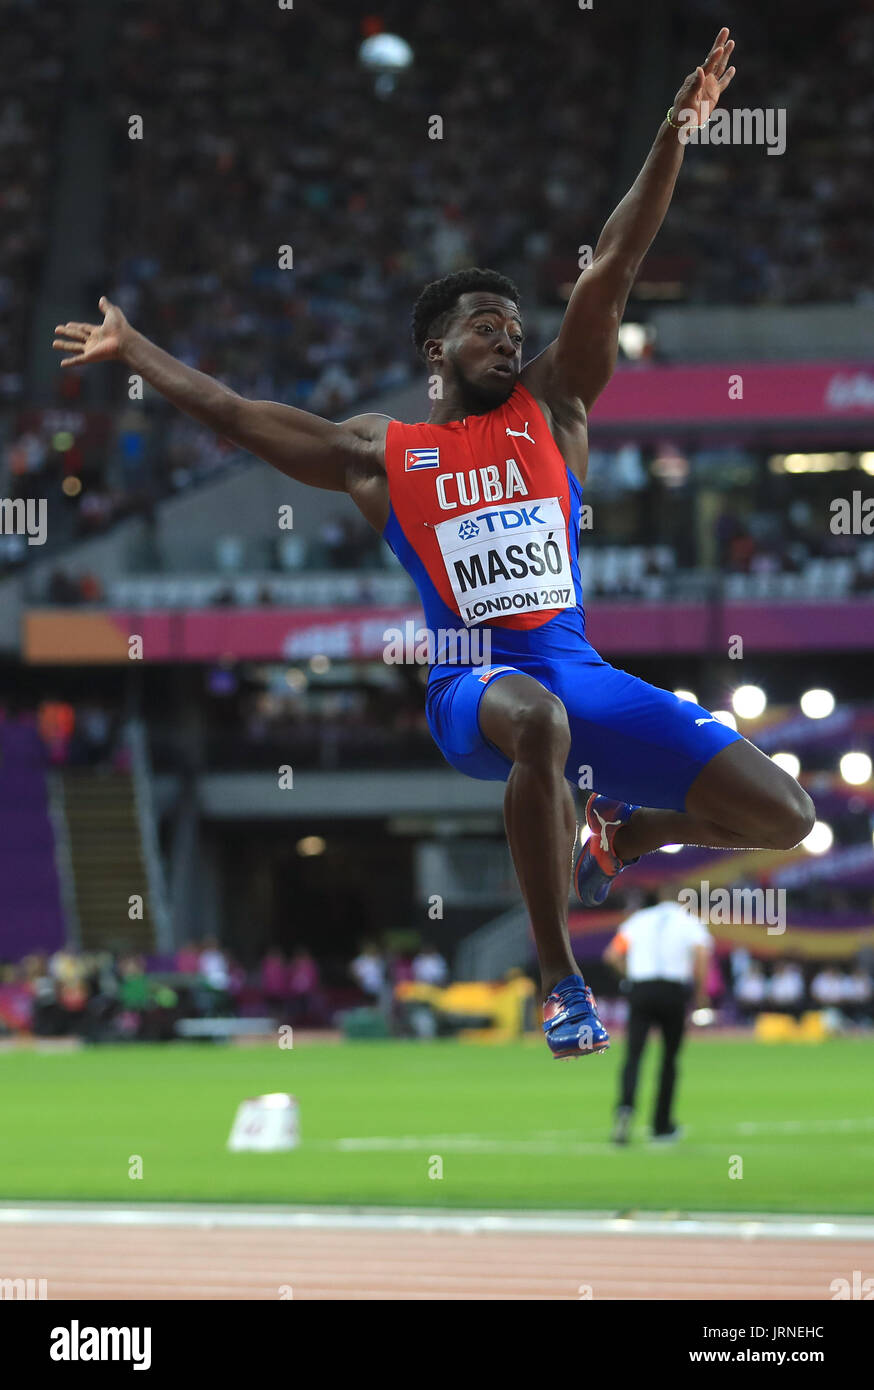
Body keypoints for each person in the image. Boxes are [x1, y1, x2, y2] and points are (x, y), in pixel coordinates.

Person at [52, 27, 814, 1062]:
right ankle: (562, 986)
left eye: (514, 322)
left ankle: (622, 832)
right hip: (475, 681)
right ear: (435, 350)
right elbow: (235, 415)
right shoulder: (381, 453)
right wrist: (135, 348)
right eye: (487, 325)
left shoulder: (554, 408)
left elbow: (616, 263)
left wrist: (677, 128)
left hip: (573, 668)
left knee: (784, 814)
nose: (510, 334)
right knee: (536, 720)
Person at [603, 890, 711, 1143]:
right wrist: (701, 994)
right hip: (673, 991)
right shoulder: (689, 921)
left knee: (633, 1055)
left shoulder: (638, 920)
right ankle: (661, 1125)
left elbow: (612, 955)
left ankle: (625, 1109)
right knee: (669, 1059)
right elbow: (702, 954)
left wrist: (630, 977)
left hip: (641, 988)